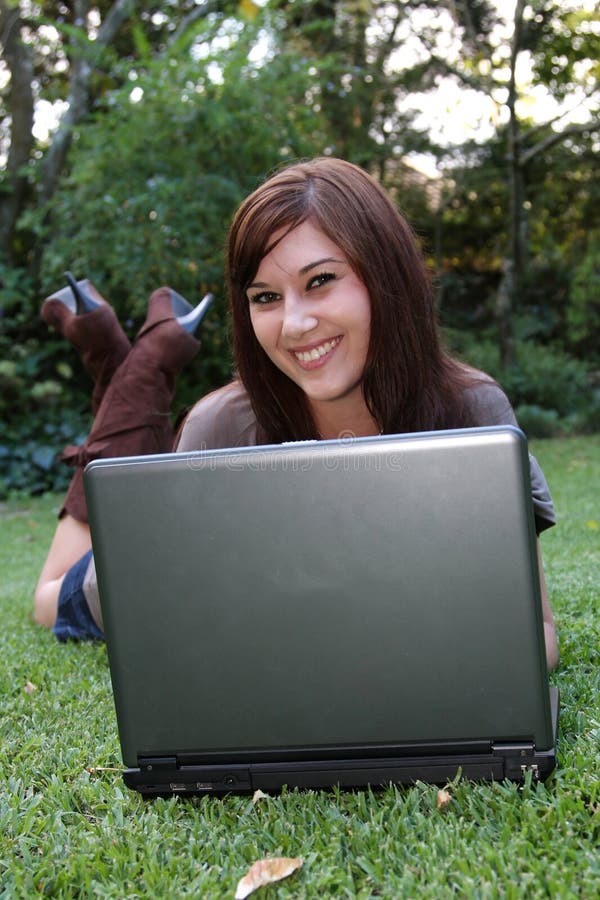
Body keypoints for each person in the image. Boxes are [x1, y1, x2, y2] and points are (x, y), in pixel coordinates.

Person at [34, 157, 559, 670]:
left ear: (386, 276)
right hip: (141, 570)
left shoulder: (473, 411)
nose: (294, 324)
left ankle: (131, 359)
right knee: (49, 597)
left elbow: (537, 634)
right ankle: (132, 368)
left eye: (320, 280)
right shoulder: (220, 427)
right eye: (265, 297)